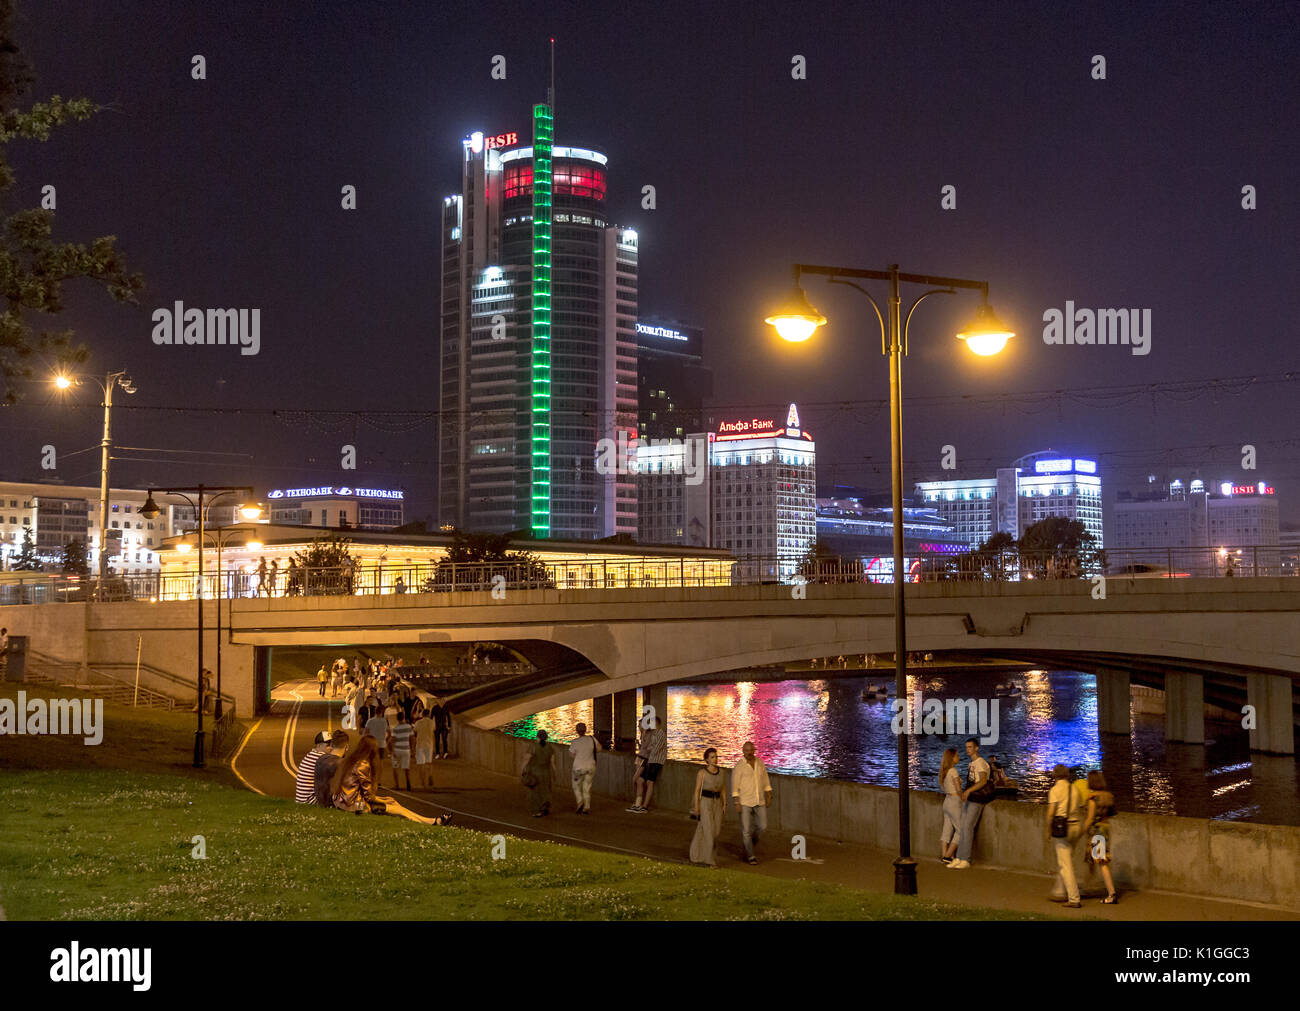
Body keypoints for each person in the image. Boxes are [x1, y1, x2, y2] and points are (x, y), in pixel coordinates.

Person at [331, 735, 451, 824]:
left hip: (342, 802)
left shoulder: (352, 760)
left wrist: (383, 799)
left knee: (392, 802)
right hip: (353, 806)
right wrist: (382, 799)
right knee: (396, 809)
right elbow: (368, 797)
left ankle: (432, 821)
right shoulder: (363, 765)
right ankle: (432, 821)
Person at [948, 738, 993, 869]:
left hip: (977, 799)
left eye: (970, 747)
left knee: (967, 826)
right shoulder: (972, 763)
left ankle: (965, 859)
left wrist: (968, 791)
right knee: (963, 826)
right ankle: (959, 857)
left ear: (976, 748)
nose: (968, 750)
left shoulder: (980, 763)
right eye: (966, 747)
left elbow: (983, 781)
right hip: (971, 798)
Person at [1046, 763, 1083, 907]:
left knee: (1065, 865)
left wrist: (1048, 829)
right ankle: (1059, 890)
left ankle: (1074, 898)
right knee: (1067, 860)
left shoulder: (1055, 790)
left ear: (1055, 775)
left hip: (1063, 828)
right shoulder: (1074, 789)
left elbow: (1051, 814)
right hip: (1076, 825)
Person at [731, 741, 772, 864]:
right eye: (747, 750)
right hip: (745, 801)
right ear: (743, 752)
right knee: (746, 830)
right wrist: (736, 802)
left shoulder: (760, 763)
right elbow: (734, 786)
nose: (749, 752)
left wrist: (769, 793)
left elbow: (765, 779)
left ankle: (750, 842)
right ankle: (750, 856)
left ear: (754, 750)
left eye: (751, 750)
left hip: (759, 800)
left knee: (763, 826)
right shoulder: (739, 766)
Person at [1083, 770, 1119, 904]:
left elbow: (1089, 819)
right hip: (1105, 830)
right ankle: (1086, 887)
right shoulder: (1108, 797)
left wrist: (1080, 831)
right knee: (1092, 861)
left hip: (1096, 833)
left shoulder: (1093, 800)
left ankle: (1112, 893)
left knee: (1101, 862)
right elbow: (1111, 813)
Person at [689, 747, 727, 867]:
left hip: (717, 803)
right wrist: (696, 807)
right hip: (705, 802)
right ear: (707, 760)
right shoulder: (702, 773)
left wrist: (725, 803)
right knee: (709, 831)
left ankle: (696, 853)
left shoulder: (722, 772)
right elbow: (697, 790)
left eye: (716, 756)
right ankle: (710, 860)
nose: (715, 759)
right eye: (712, 757)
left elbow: (723, 789)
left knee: (714, 831)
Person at [627, 715, 667, 813]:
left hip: (655, 761)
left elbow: (653, 749)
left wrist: (649, 747)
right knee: (640, 780)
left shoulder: (660, 734)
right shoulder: (653, 734)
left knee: (648, 782)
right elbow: (648, 747)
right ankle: (638, 804)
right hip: (649, 760)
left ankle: (644, 806)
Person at [568, 722, 602, 814]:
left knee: (576, 786)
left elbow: (571, 755)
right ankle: (586, 806)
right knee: (587, 787)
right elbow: (599, 749)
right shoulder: (592, 739)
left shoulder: (575, 742)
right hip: (590, 766)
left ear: (577, 731)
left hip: (578, 767)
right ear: (585, 730)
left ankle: (579, 801)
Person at [521, 729, 554, 817]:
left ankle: (537, 811)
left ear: (537, 737)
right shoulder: (549, 747)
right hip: (546, 772)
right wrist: (554, 773)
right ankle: (545, 808)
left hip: (535, 772)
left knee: (535, 792)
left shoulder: (533, 746)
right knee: (546, 791)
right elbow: (552, 762)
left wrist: (522, 769)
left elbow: (527, 759)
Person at [938, 746, 963, 863]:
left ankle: (944, 854)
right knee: (960, 830)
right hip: (954, 801)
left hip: (946, 802)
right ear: (952, 758)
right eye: (957, 756)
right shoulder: (953, 771)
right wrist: (964, 797)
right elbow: (958, 789)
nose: (959, 758)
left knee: (946, 829)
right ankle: (948, 856)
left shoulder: (945, 772)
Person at [312, 731, 349, 806]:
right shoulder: (342, 764)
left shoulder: (320, 759)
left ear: (332, 745)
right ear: (347, 747)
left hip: (320, 800)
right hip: (332, 803)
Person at [295, 731, 332, 804]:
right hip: (310, 800)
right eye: (327, 745)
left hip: (301, 799)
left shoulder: (311, 755)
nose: (330, 748)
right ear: (319, 746)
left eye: (331, 745)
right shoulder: (321, 758)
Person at [363, 706, 391, 787]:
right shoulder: (384, 721)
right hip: (382, 744)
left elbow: (366, 733)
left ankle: (371, 778)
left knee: (371, 762)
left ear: (375, 712)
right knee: (380, 762)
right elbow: (389, 733)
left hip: (372, 744)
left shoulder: (370, 721)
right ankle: (379, 780)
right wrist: (386, 740)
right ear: (381, 712)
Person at [389, 709, 416, 790]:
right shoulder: (409, 727)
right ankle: (408, 783)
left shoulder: (395, 728)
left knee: (395, 768)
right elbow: (412, 738)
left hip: (397, 749)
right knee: (406, 768)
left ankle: (397, 785)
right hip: (406, 749)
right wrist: (412, 749)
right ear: (404, 717)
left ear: (397, 719)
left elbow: (392, 740)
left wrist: (392, 751)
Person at [413, 706, 436, 788]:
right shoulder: (432, 722)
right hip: (429, 744)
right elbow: (433, 730)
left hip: (420, 744)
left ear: (422, 714)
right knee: (429, 762)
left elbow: (415, 732)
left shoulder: (418, 723)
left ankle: (422, 783)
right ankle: (430, 775)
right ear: (429, 714)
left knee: (421, 764)